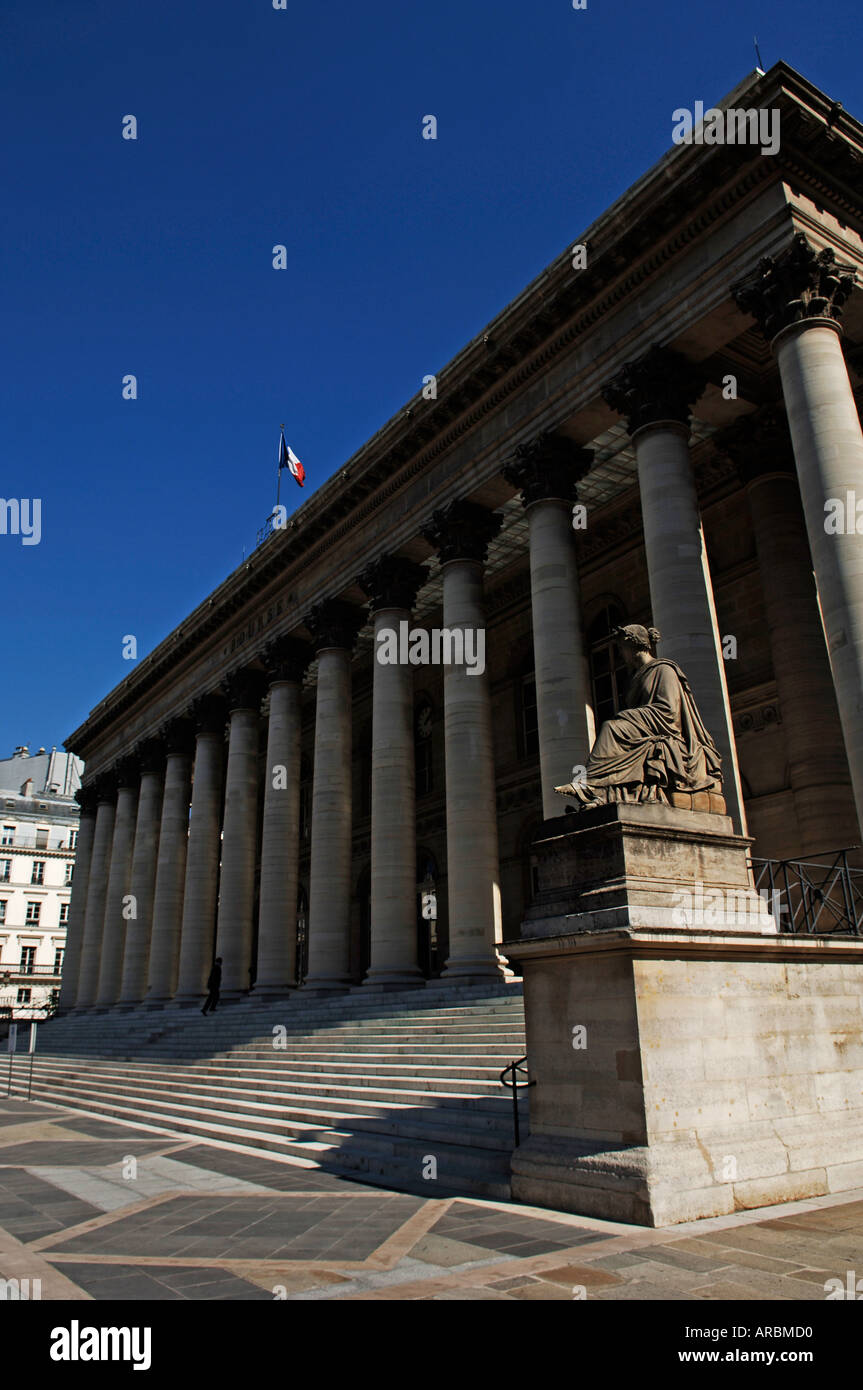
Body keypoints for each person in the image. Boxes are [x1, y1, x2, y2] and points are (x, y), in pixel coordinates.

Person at [555, 624, 722, 806]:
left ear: (632, 646)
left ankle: (588, 784)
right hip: (644, 731)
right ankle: (601, 794)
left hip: (665, 728)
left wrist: (630, 717)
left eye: (621, 648)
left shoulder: (664, 670)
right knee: (615, 729)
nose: (620, 654)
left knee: (611, 727)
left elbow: (669, 711)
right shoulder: (636, 676)